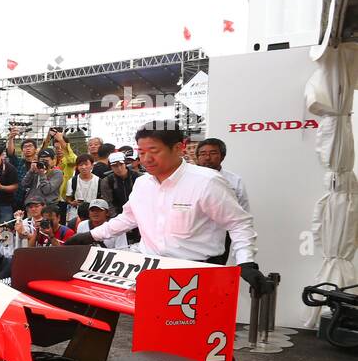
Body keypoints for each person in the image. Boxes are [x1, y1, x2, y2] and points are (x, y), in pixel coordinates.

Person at [66, 124, 268, 291]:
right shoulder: (143, 183)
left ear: (179, 148)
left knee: (187, 337)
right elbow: (127, 218)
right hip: (150, 271)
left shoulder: (207, 182)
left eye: (154, 151)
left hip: (195, 275)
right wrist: (91, 236)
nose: (146, 159)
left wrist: (246, 262)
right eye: (142, 152)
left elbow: (239, 224)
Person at [195, 138, 250, 211]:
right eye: (203, 154)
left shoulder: (235, 181)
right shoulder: (189, 180)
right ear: (197, 157)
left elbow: (244, 210)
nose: (207, 157)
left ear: (222, 156)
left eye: (213, 153)